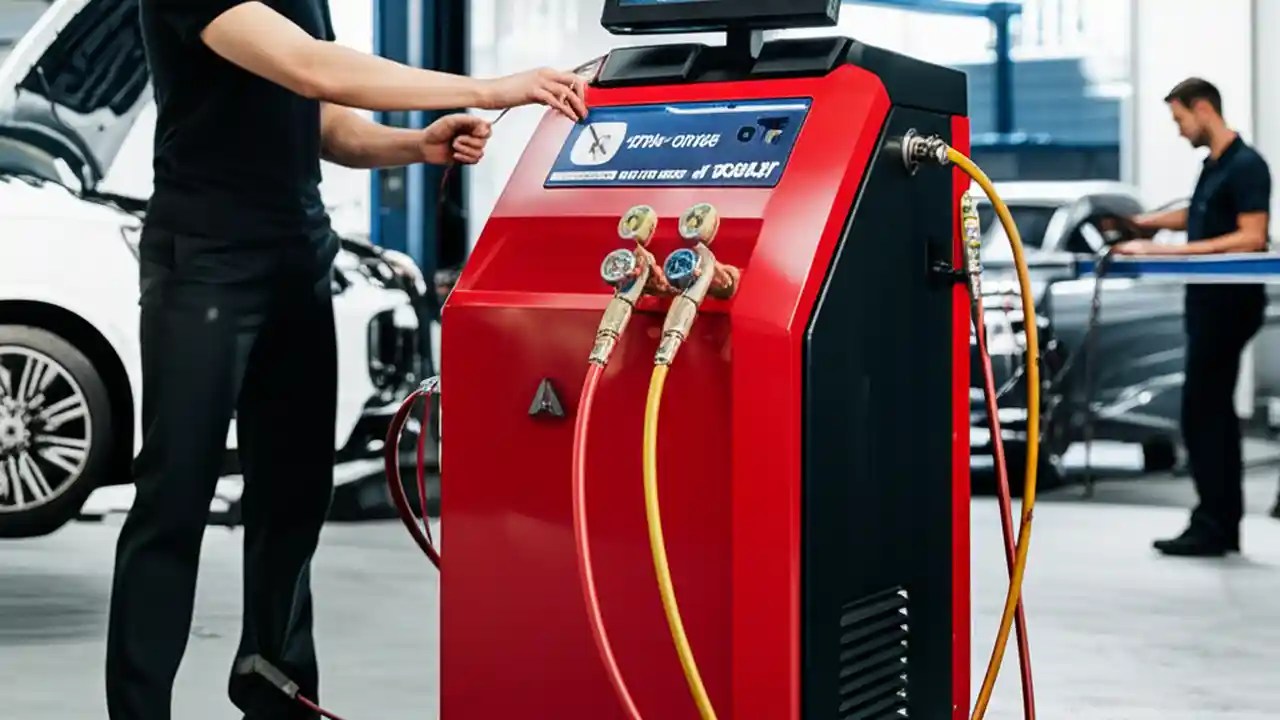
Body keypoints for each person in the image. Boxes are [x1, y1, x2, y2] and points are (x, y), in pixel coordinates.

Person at [106, 2, 588, 718]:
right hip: (203, 266)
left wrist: (416, 144)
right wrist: (489, 88)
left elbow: (321, 117)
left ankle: (277, 693)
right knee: (174, 500)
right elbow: (311, 68)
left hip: (297, 258)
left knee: (293, 502)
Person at [1113, 77, 1271, 557]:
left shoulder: (1248, 166)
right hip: (1207, 303)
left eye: (1180, 119)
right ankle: (1218, 523)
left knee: (1203, 411)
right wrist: (1147, 226)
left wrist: (1172, 253)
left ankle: (1214, 524)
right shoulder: (1215, 168)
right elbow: (1202, 213)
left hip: (1230, 306)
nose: (1180, 131)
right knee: (1210, 412)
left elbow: (1251, 236)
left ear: (1203, 109)